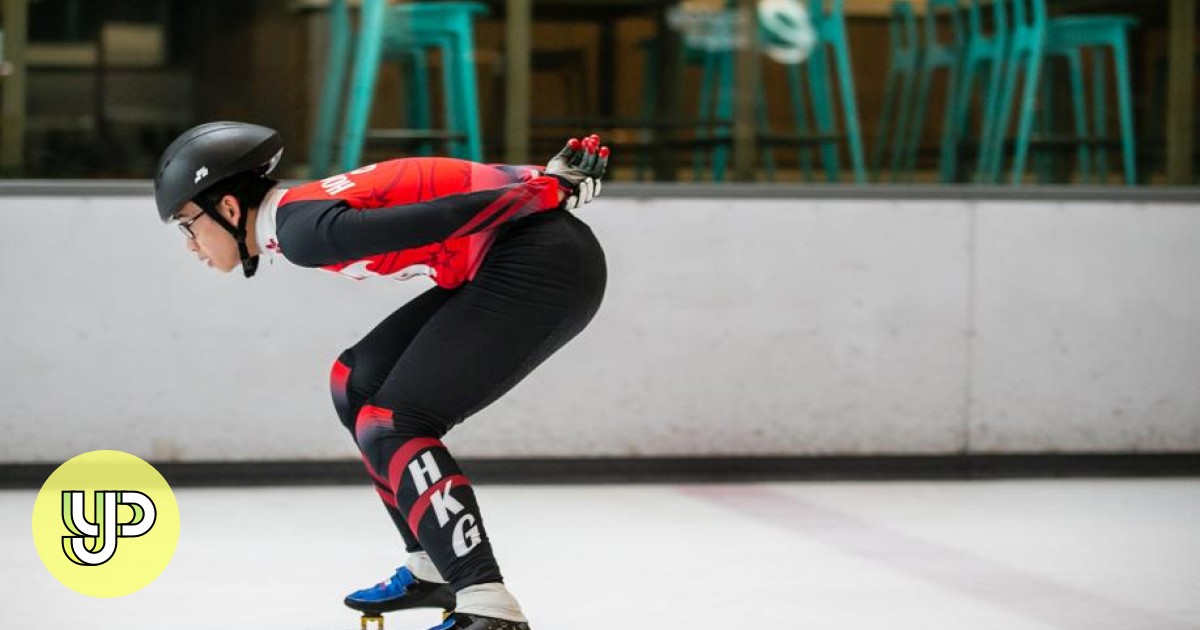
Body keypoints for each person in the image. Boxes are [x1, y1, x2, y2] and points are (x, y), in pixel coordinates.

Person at [153, 121, 610, 630]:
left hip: (542, 265)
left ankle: (487, 603)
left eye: (187, 224)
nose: (190, 243)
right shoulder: (302, 213)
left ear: (231, 209)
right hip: (516, 256)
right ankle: (432, 563)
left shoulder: (302, 232)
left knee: (393, 421)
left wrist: (543, 188)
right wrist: (539, 179)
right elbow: (448, 184)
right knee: (356, 382)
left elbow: (436, 218)